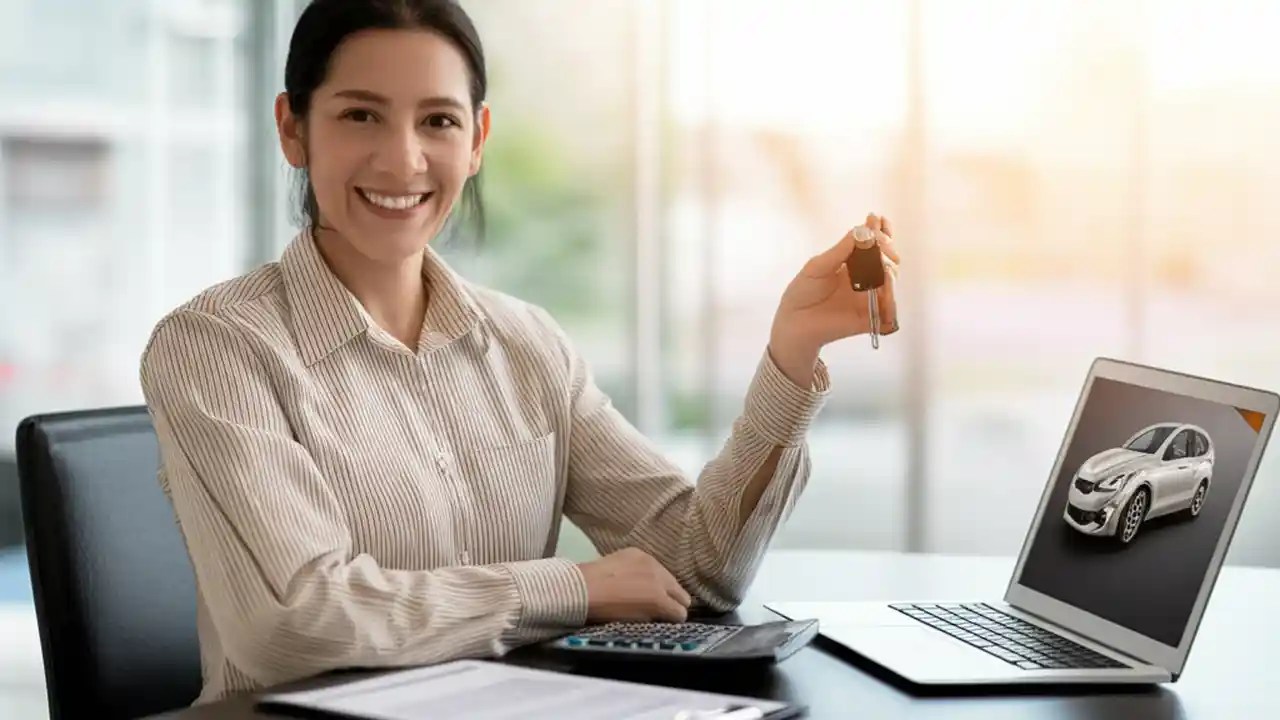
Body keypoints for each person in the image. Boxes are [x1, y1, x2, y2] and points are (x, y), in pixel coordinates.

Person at [138, 0, 901, 705]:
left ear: (477, 140)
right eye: (361, 115)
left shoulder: (527, 344)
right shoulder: (215, 348)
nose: (402, 161)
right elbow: (295, 625)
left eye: (437, 121)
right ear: (293, 129)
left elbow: (697, 570)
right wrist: (570, 587)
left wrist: (792, 355)